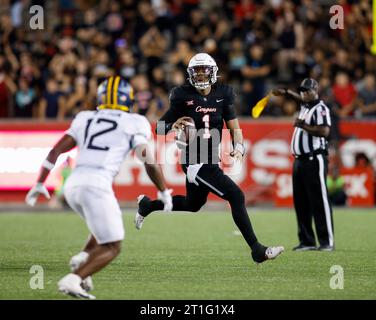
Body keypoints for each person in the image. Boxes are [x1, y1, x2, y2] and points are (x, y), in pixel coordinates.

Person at [25, 76, 173, 299]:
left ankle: (84, 256)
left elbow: (55, 152)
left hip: (73, 185)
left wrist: (39, 183)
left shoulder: (85, 117)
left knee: (101, 225)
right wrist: (163, 190)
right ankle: (74, 279)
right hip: (96, 183)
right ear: (128, 99)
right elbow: (147, 159)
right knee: (113, 246)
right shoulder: (135, 121)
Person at [135, 53, 284, 264]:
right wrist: (172, 126)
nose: (201, 74)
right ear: (190, 74)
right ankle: (257, 250)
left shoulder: (223, 94)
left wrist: (239, 147)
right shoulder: (181, 95)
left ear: (213, 72)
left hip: (210, 158)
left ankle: (148, 206)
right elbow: (159, 128)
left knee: (193, 203)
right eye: (196, 71)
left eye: (204, 70)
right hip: (194, 160)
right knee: (236, 195)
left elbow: (234, 127)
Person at [272, 78, 334, 251]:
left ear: (316, 90)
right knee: (301, 202)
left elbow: (324, 131)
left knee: (319, 201)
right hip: (299, 161)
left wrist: (303, 125)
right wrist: (286, 93)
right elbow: (301, 99)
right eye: (302, 91)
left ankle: (326, 241)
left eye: (308, 90)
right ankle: (307, 240)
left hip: (315, 159)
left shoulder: (320, 108)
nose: (304, 93)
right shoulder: (306, 106)